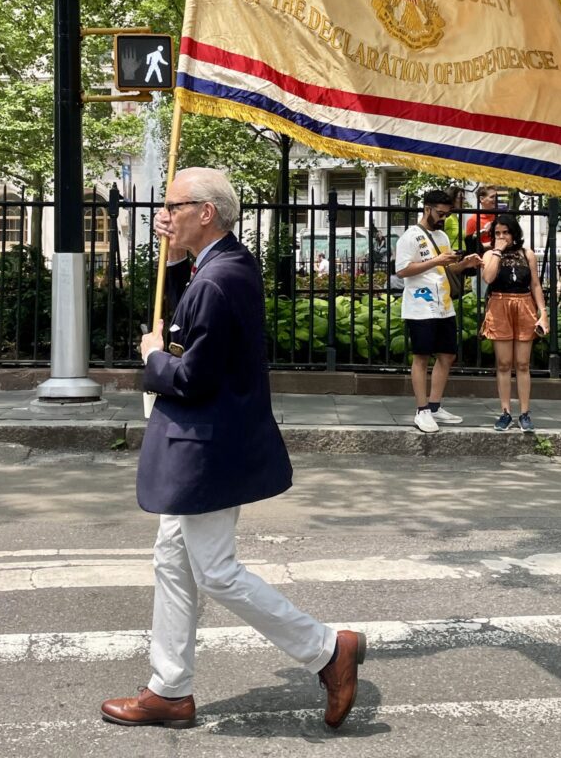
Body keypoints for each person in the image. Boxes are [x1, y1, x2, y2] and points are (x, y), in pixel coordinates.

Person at [101, 168, 365, 731]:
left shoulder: (221, 278)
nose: (164, 216)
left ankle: (326, 648)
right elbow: (186, 324)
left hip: (209, 445)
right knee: (172, 557)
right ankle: (169, 690)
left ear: (207, 213)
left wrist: (152, 359)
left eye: (174, 206)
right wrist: (171, 269)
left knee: (215, 570)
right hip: (209, 440)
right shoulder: (217, 267)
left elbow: (190, 372)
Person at [395, 189, 483, 433]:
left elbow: (446, 270)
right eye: (440, 213)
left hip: (444, 305)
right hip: (420, 306)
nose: (443, 218)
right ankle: (421, 410)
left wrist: (465, 264)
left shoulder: (442, 236)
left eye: (447, 214)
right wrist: (436, 261)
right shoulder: (410, 237)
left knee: (447, 355)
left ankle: (434, 406)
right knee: (422, 356)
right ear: (427, 209)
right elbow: (402, 271)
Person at [480, 212, 549, 433]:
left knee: (522, 363)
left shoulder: (527, 254)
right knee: (503, 363)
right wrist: (498, 250)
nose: (502, 236)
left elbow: (536, 284)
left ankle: (525, 412)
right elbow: (488, 278)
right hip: (499, 304)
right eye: (498, 233)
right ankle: (505, 412)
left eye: (506, 232)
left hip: (524, 304)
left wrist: (543, 312)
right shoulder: (490, 254)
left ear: (514, 233)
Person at [443, 186, 466, 252]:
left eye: (464, 198)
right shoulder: (447, 217)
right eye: (460, 198)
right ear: (451, 199)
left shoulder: (456, 217)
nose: (463, 201)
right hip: (451, 254)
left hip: (460, 253)